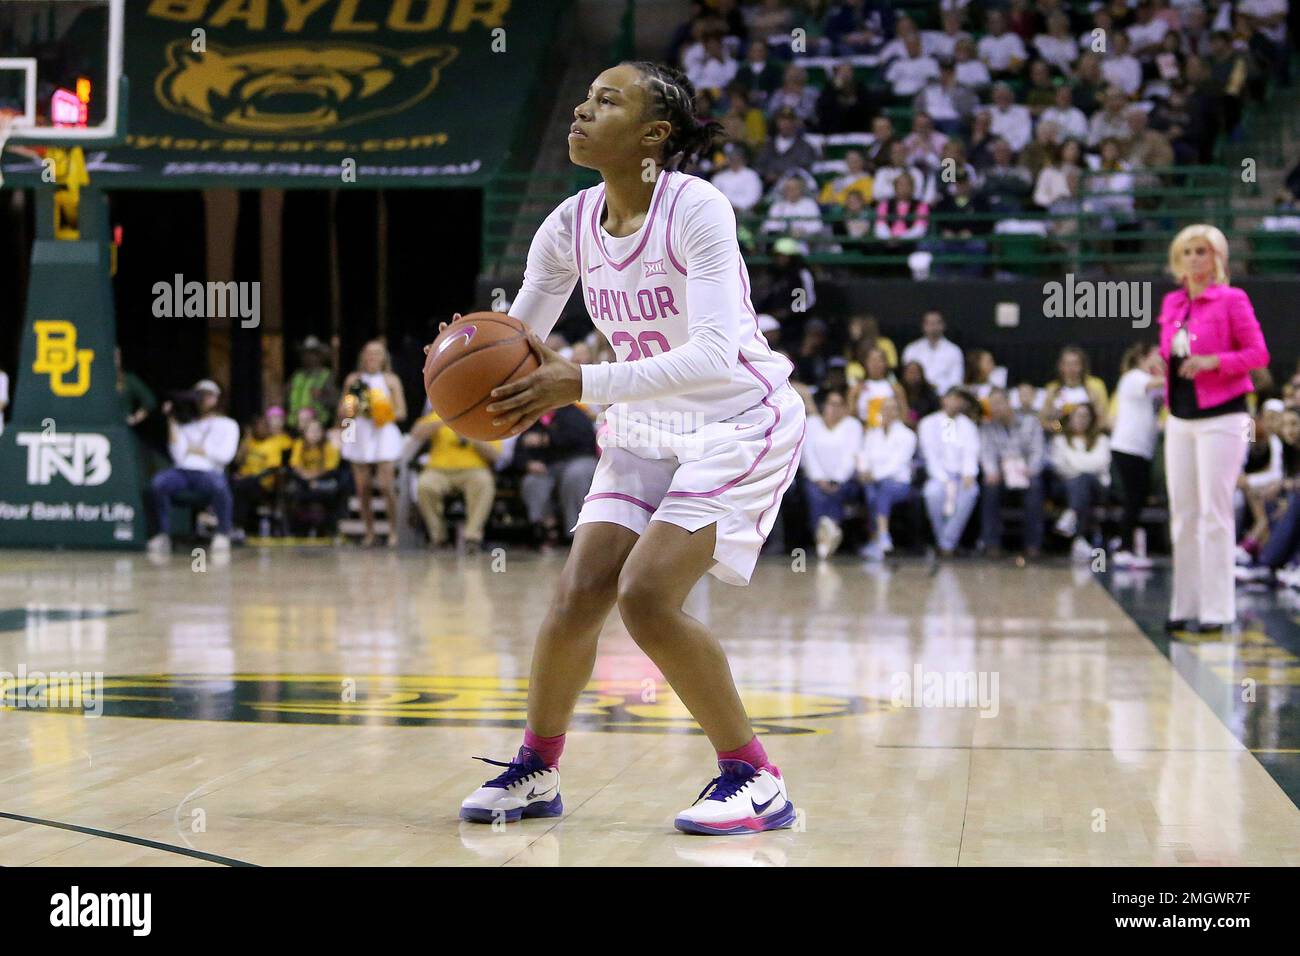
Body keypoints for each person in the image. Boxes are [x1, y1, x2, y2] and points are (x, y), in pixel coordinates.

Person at [453, 61, 806, 834]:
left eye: (606, 101)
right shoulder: (568, 224)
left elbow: (714, 355)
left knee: (647, 597)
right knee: (580, 593)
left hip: (737, 420)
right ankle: (537, 769)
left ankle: (755, 777)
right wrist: (468, 364)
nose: (581, 111)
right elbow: (523, 343)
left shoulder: (696, 210)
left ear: (654, 136)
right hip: (647, 425)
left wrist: (577, 383)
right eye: (581, 98)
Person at [1159, 225, 1269, 631]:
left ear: (1218, 258)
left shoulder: (1231, 299)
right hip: (1180, 417)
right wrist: (1160, 365)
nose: (1194, 259)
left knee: (1215, 514)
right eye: (1187, 251)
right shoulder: (1173, 302)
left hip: (1223, 416)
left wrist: (1214, 362)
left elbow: (1258, 354)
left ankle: (1218, 609)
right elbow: (1169, 350)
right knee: (1183, 515)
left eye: (1202, 251)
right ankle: (1184, 606)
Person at [147, 380, 240, 556]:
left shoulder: (228, 424)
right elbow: (178, 455)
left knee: (220, 486)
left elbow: (226, 455)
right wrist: (171, 420)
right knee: (158, 484)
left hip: (209, 472)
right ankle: (162, 534)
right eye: (200, 395)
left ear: (217, 398)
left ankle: (222, 533)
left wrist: (200, 450)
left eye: (208, 395)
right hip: (182, 471)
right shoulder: (186, 425)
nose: (204, 399)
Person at [338, 340, 407, 548]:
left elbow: (402, 412)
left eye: (377, 354)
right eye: (369, 353)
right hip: (360, 431)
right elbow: (344, 411)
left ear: (384, 357)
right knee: (363, 488)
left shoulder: (391, 380)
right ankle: (370, 533)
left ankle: (394, 531)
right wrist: (356, 406)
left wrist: (382, 411)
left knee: (386, 486)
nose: (373, 358)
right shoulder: (354, 379)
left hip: (383, 431)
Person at [407, 412, 502, 552]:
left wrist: (471, 437)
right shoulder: (441, 412)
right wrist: (446, 421)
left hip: (473, 470)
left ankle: (472, 537)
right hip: (438, 470)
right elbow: (415, 434)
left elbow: (495, 456)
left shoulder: (484, 417)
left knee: (484, 482)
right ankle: (439, 538)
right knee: (424, 485)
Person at [513, 405, 599, 551]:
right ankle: (547, 529)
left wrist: (545, 439)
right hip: (548, 466)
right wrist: (528, 464)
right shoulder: (533, 418)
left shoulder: (574, 413)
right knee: (532, 481)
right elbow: (519, 452)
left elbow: (582, 439)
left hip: (579, 460)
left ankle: (575, 533)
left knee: (575, 475)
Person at [1110, 343, 1165, 568]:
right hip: (1127, 447)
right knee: (1133, 498)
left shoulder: (1147, 384)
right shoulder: (1133, 377)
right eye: (1152, 360)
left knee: (1138, 498)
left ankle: (1125, 543)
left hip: (1141, 450)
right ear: (1141, 360)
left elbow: (1165, 391)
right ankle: (1123, 547)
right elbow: (1160, 383)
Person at [979, 387, 1046, 558]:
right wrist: (992, 471)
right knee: (989, 486)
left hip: (1025, 471)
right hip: (1001, 473)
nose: (996, 408)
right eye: (992, 405)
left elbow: (1038, 451)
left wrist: (1030, 469)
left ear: (1009, 403)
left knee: (1036, 486)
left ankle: (1033, 545)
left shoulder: (1030, 422)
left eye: (999, 404)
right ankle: (991, 543)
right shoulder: (987, 427)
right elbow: (986, 454)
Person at [800, 388, 864, 560]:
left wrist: (837, 479)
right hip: (815, 478)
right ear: (824, 406)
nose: (834, 408)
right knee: (816, 495)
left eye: (839, 405)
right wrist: (819, 478)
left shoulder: (852, 425)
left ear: (845, 408)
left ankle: (826, 540)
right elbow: (808, 453)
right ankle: (823, 539)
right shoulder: (812, 423)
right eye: (831, 404)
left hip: (843, 479)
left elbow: (851, 455)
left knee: (837, 494)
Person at [919, 387, 980, 558]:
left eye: (959, 399)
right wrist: (945, 479)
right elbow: (932, 455)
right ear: (943, 399)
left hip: (961, 477)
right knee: (933, 494)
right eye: (952, 398)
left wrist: (969, 473)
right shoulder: (929, 423)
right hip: (939, 476)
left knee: (970, 492)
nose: (956, 402)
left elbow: (970, 452)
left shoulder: (968, 426)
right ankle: (945, 542)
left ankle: (946, 543)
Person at [856, 395, 916, 560]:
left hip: (899, 483)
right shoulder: (872, 434)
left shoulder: (907, 435)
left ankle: (881, 538)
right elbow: (863, 456)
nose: (888, 412)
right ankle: (878, 541)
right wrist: (863, 471)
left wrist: (873, 475)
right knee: (871, 494)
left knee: (883, 491)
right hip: (873, 482)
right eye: (885, 408)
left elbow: (897, 464)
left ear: (898, 411)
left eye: (892, 408)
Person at [1050, 403, 1112, 562]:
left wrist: (1076, 465)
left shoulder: (1101, 439)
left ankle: (1071, 515)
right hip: (1066, 487)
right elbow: (1059, 466)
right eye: (1078, 415)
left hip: (1097, 487)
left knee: (1084, 479)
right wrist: (1084, 467)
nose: (1081, 420)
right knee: (1081, 482)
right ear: (1070, 419)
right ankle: (1079, 539)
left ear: (1091, 419)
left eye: (1085, 416)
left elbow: (1101, 463)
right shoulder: (1060, 439)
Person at [284, 419, 343, 536]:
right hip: (303, 481)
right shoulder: (299, 443)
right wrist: (308, 480)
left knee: (334, 487)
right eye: (311, 431)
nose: (314, 434)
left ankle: (329, 528)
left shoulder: (328, 446)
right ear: (305, 433)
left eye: (317, 431)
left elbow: (330, 469)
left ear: (322, 432)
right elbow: (295, 466)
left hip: (323, 480)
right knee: (291, 490)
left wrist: (313, 479)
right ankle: (295, 529)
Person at [901, 310, 963, 395]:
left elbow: (956, 381)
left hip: (944, 396)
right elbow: (907, 378)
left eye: (937, 323)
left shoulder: (954, 351)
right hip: (916, 397)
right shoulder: (912, 349)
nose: (933, 327)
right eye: (929, 323)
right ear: (923, 326)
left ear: (943, 325)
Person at [286, 336, 338, 428]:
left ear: (320, 356)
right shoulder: (296, 376)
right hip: (294, 426)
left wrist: (321, 397)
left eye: (313, 353)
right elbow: (285, 400)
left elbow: (335, 401)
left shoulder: (326, 376)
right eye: (305, 353)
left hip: (317, 427)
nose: (308, 357)